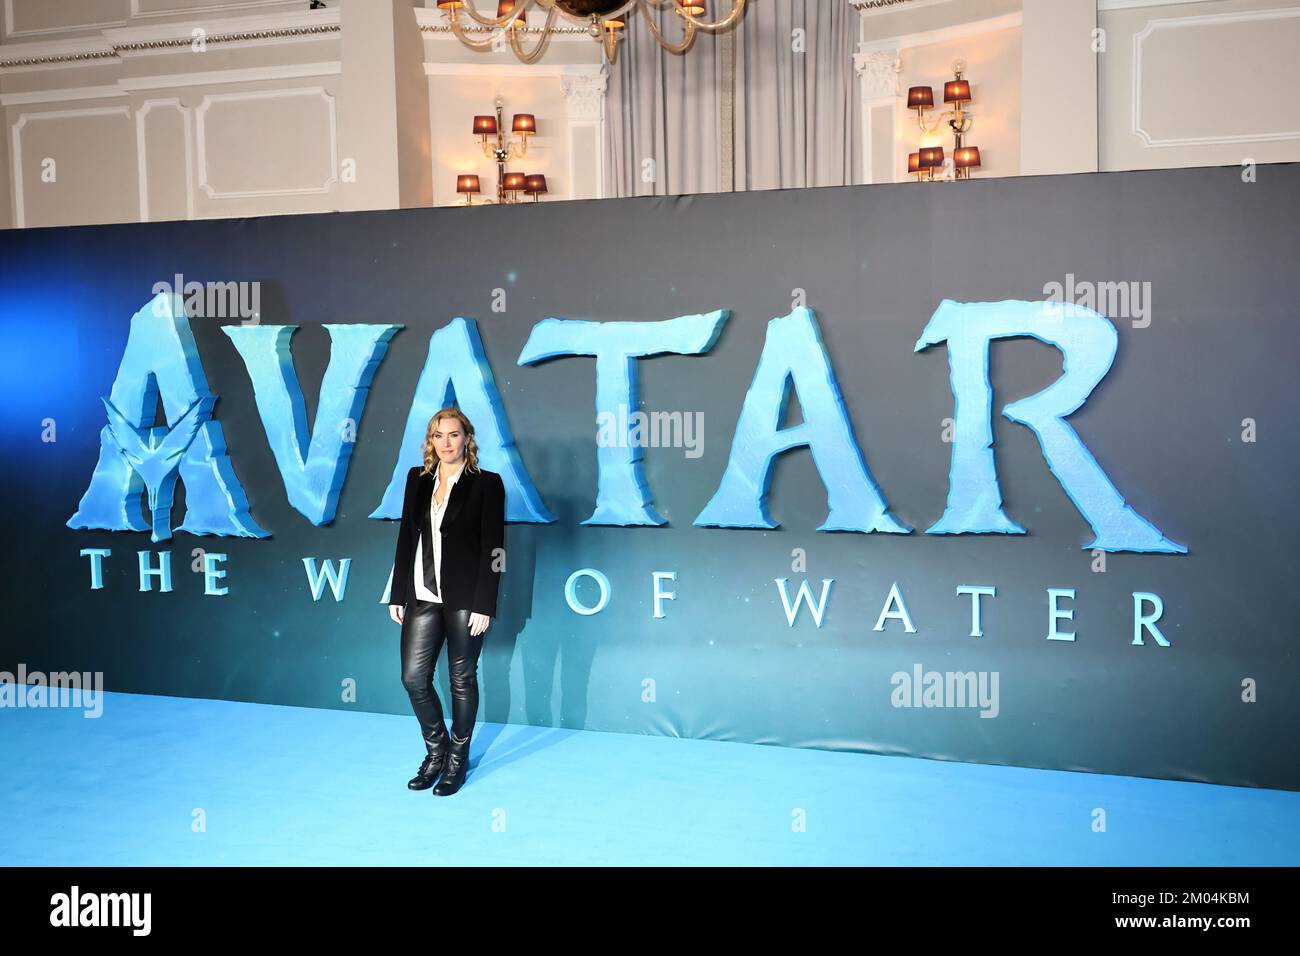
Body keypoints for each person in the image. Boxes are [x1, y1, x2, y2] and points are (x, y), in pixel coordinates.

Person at [388, 407, 505, 796]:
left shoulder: (487, 484)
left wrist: (485, 604)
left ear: (467, 438)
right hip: (422, 594)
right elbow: (406, 538)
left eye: (454, 435)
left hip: (465, 598)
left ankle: (457, 758)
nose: (446, 443)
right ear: (430, 441)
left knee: (460, 678)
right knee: (413, 678)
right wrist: (396, 594)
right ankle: (435, 753)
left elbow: (494, 548)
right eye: (439, 436)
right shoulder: (416, 480)